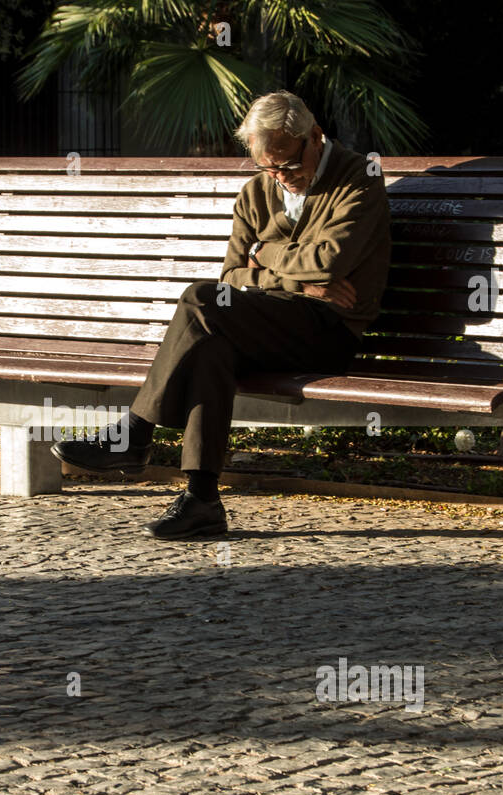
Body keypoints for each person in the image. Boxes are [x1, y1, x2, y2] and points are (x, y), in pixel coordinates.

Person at [52, 90, 392, 539]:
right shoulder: (256, 192)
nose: (281, 177)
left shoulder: (358, 178)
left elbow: (329, 262)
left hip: (328, 329)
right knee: (211, 341)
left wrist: (265, 254)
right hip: (266, 322)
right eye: (267, 167)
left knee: (200, 299)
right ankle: (202, 499)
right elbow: (232, 275)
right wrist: (292, 278)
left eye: (288, 165)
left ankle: (134, 433)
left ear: (314, 137)